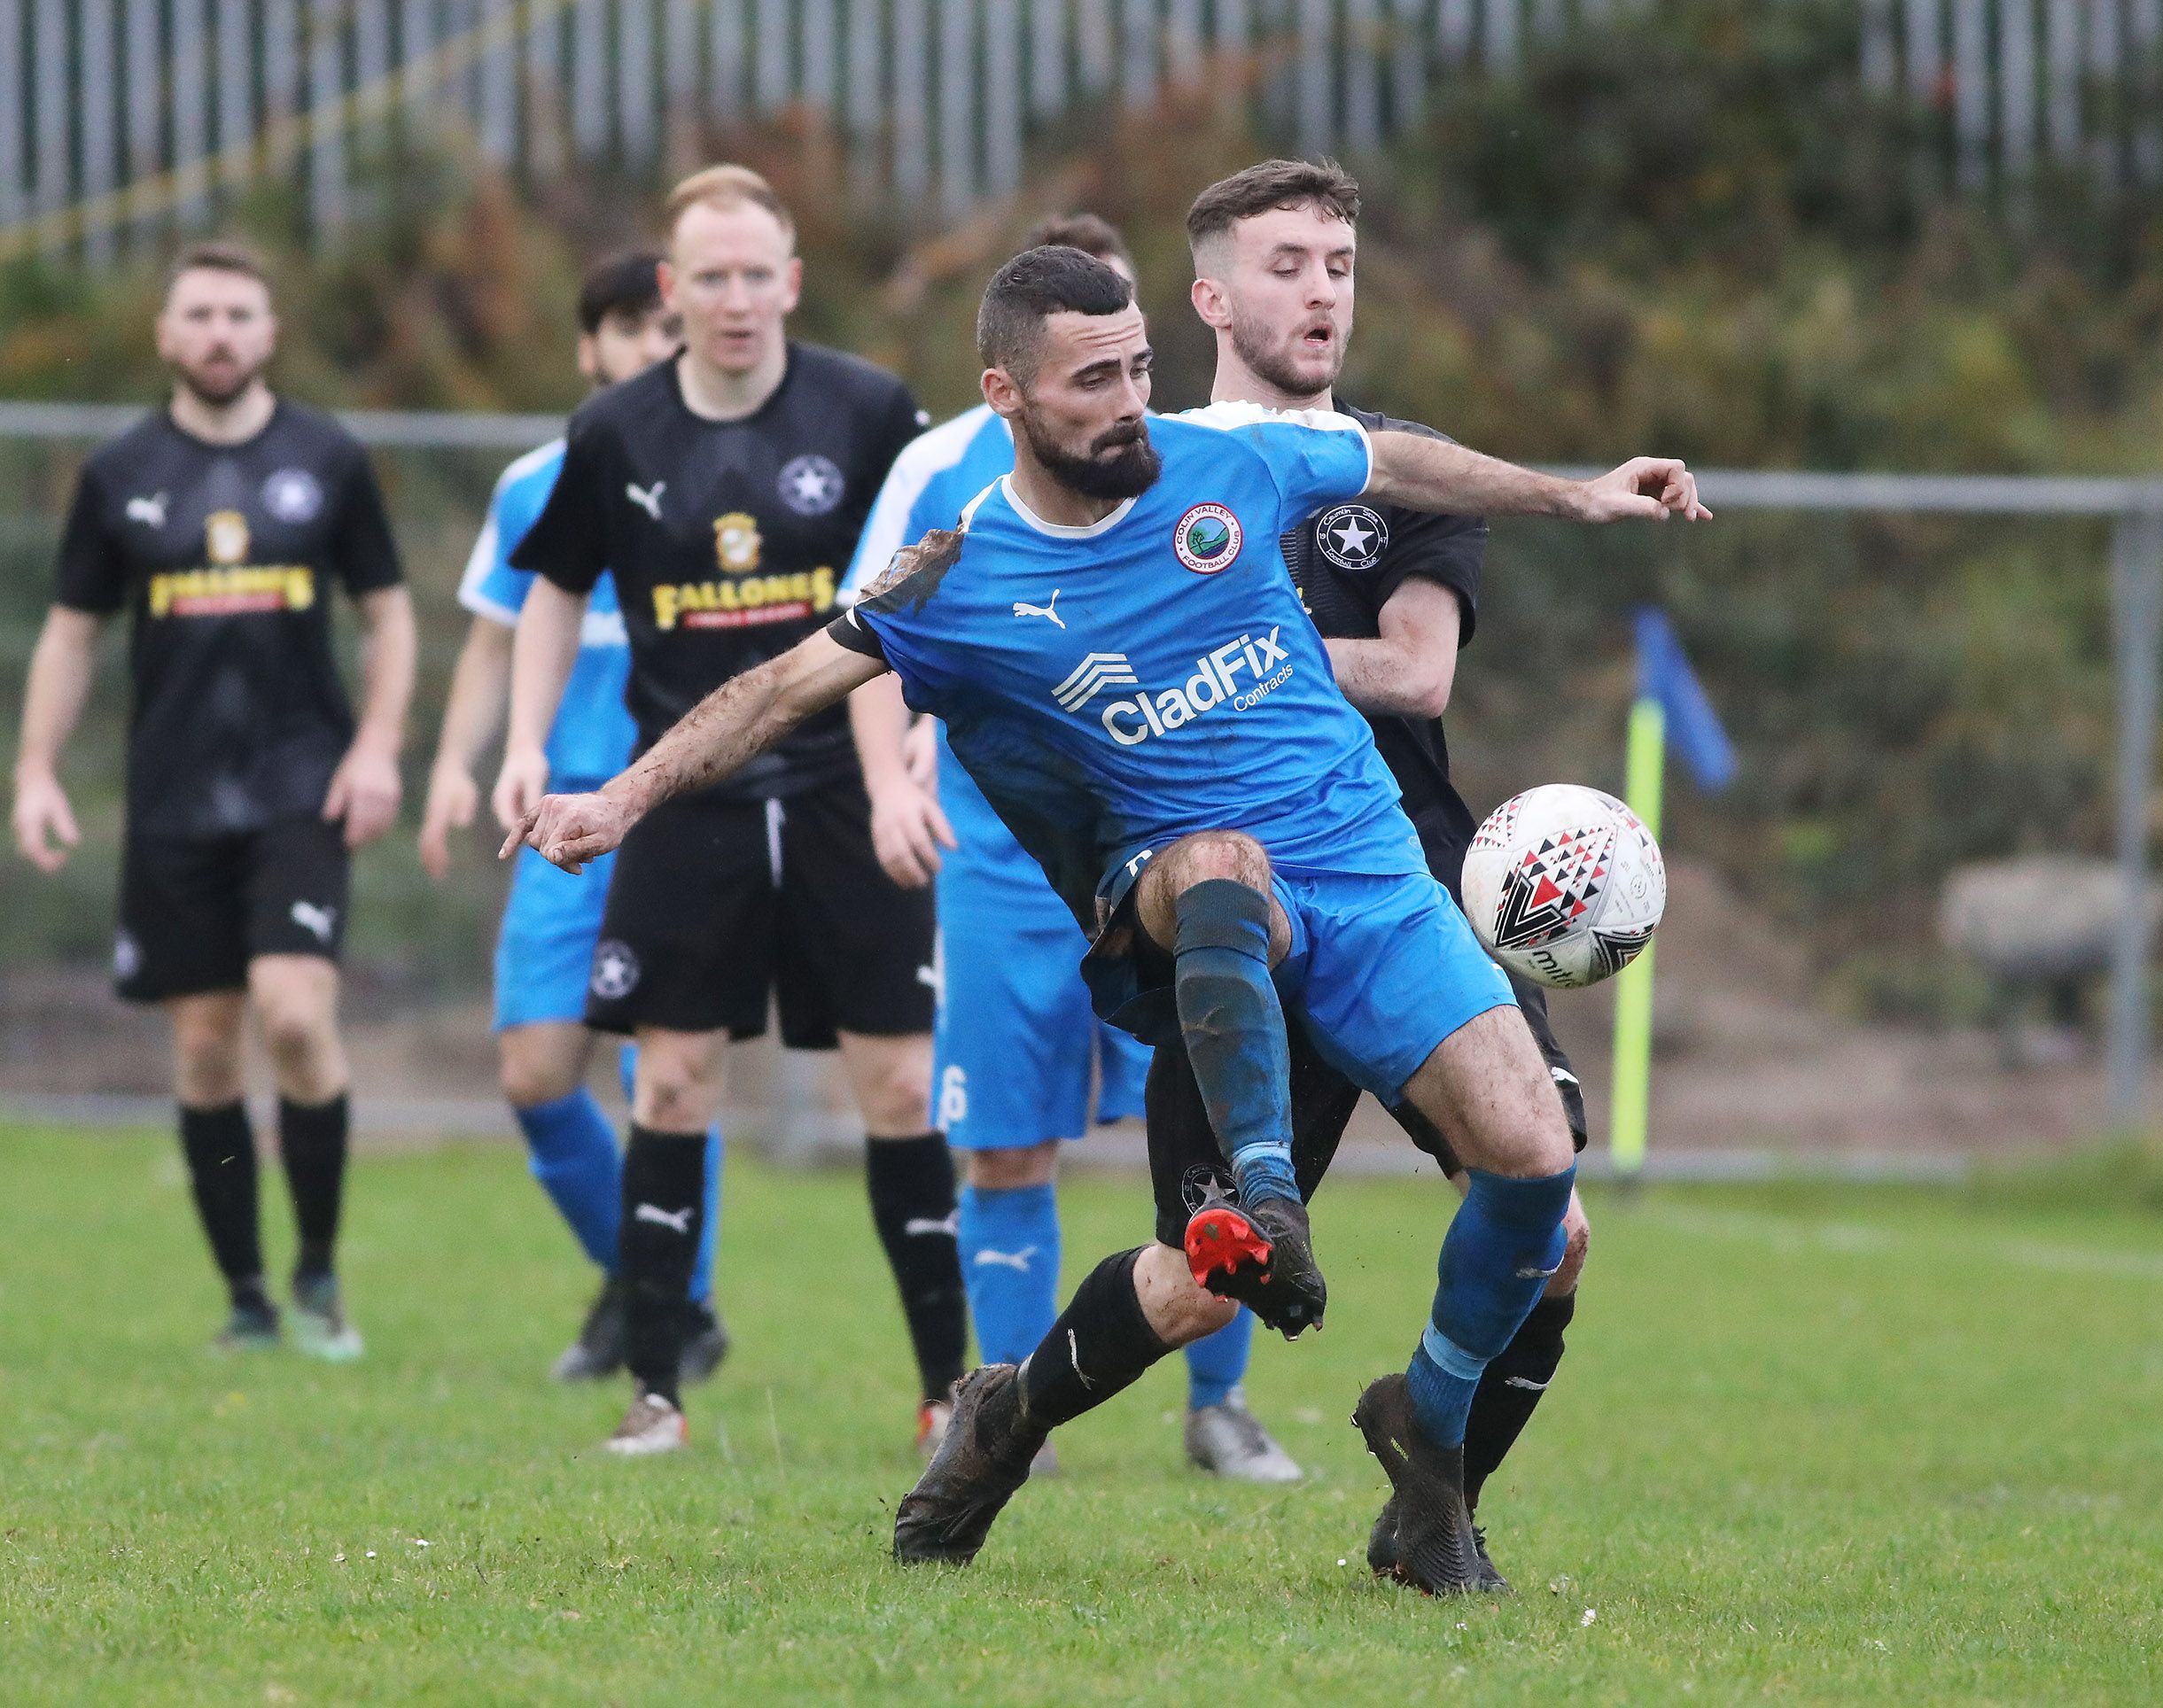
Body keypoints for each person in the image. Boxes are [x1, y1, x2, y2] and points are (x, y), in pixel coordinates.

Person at [503, 242, 1705, 1588]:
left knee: (1523, 1172)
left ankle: (1395, 1432)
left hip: (1372, 884)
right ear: (1005, 394)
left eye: (1138, 365)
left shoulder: (1228, 463)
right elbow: (781, 687)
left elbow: (1398, 465)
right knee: (1221, 873)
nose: (1131, 397)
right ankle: (1218, 1233)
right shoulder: (957, 577)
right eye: (1093, 379)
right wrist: (621, 796)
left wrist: (1579, 498)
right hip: (1184, 913)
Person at [494, 166, 963, 1456]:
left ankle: (946, 1395)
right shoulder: (616, 429)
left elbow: (922, 590)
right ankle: (658, 1395)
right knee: (678, 1080)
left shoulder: (867, 410)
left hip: (836, 794)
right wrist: (526, 746)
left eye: (761, 274)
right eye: (712, 277)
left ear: (793, 283)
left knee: (903, 1083)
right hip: (681, 797)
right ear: (673, 290)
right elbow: (549, 589)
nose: (738, 299)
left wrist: (907, 754)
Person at [1170, 160, 1591, 1589]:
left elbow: (1416, 671)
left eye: (1341, 264)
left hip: (1401, 874)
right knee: (1199, 1266)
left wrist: (1228, 654)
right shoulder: (1144, 465)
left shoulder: (1401, 461)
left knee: (1558, 1223)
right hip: (1231, 891)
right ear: (1210, 293)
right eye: (1288, 262)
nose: (1322, 291)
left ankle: (1433, 1503)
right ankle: (1002, 1419)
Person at [844, 213, 1297, 1484]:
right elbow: (863, 640)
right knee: (1005, 1140)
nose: (1120, 388)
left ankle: (1222, 1406)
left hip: (1175, 858)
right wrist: (890, 784)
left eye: (1132, 349)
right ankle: (1009, 1409)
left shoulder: (1186, 461)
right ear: (1017, 363)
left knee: (1217, 1133)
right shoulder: (940, 476)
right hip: (1003, 868)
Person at [11, 240, 416, 1358]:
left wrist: (377, 748)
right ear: (166, 334)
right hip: (175, 798)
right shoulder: (119, 470)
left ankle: (322, 1276)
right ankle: (245, 1296)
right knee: (203, 1047)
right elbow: (72, 631)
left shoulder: (326, 457)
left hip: (301, 787)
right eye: (200, 315)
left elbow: (388, 613)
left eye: (241, 313)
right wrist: (36, 768)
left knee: (293, 1013)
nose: (221, 333)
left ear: (269, 330)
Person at [418, 250, 728, 1384]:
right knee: (537, 1074)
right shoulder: (532, 481)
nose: (660, 342)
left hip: (682, 811)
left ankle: (671, 1308)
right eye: (634, 327)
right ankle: (648, 1281)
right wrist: (466, 761)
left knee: (671, 1069)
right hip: (558, 819)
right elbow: (498, 642)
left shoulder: (724, 470)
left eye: (671, 323)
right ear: (589, 346)